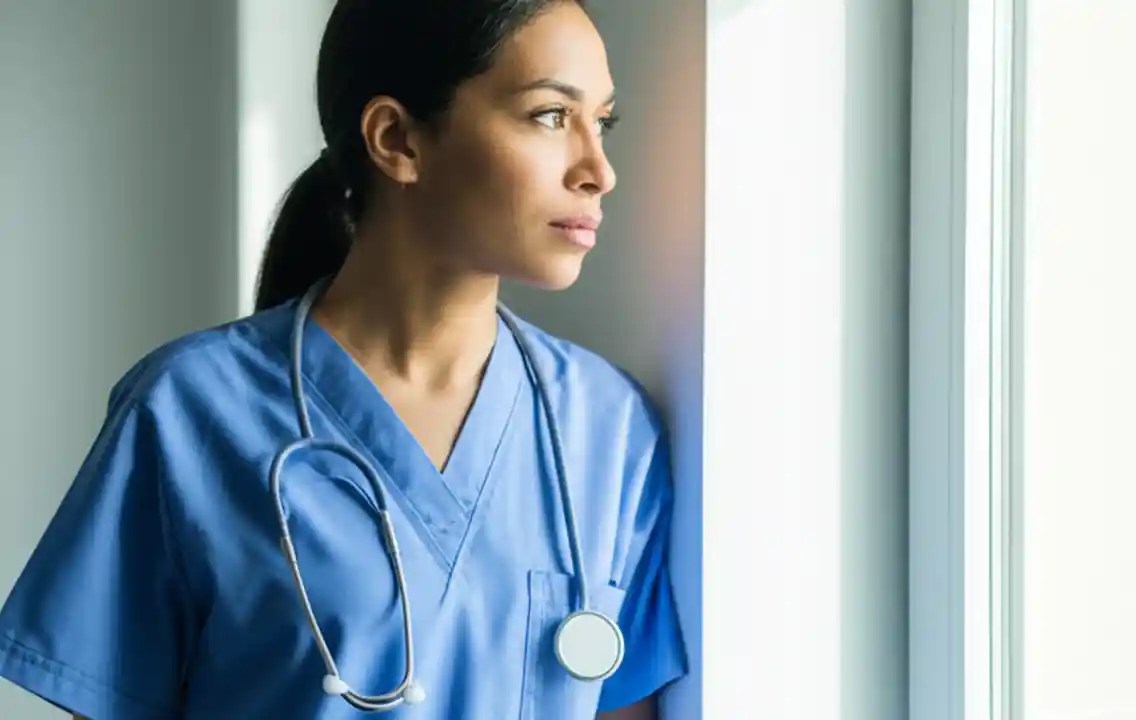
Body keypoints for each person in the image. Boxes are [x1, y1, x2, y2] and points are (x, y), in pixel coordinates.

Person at [0, 0, 687, 717]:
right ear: (398, 140)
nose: (598, 170)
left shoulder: (609, 431)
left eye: (602, 123)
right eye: (550, 115)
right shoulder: (187, 412)